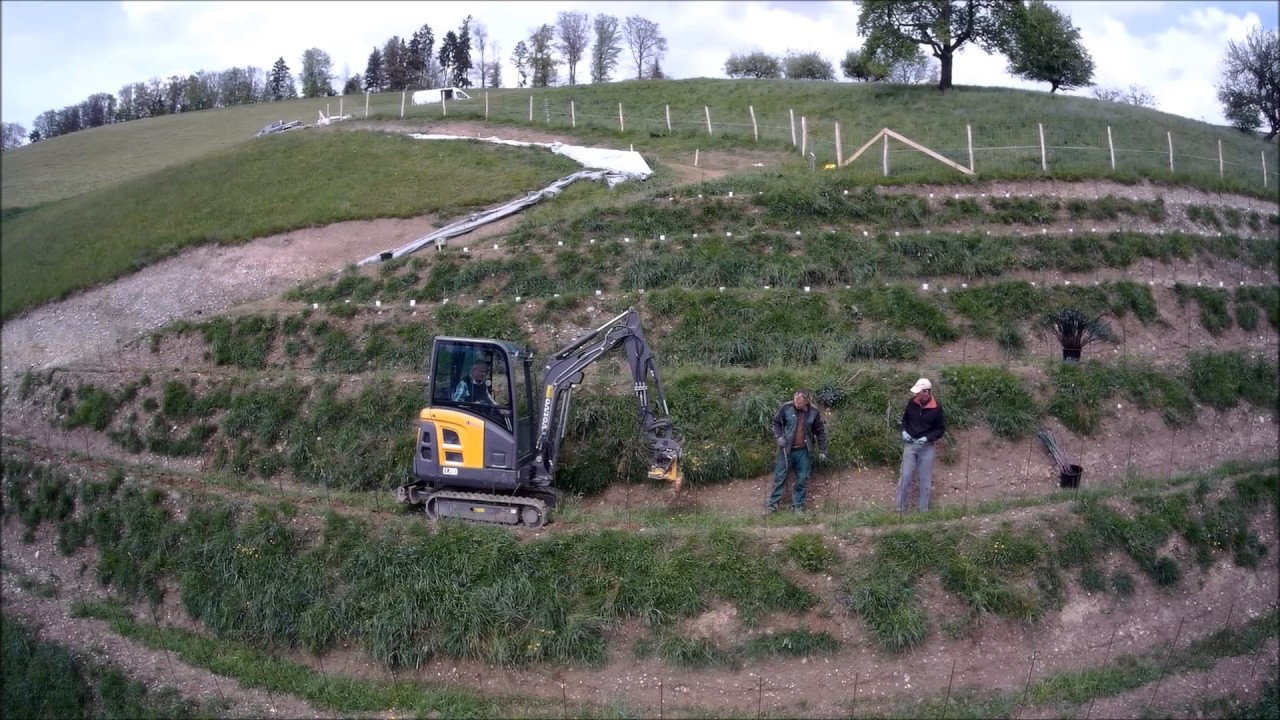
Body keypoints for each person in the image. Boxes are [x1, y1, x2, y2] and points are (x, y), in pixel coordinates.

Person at [763, 390, 828, 515]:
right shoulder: (786, 407)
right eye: (795, 401)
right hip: (786, 450)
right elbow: (776, 422)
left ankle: (798, 506)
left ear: (807, 402)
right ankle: (772, 506)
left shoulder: (813, 412)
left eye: (800, 403)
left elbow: (820, 432)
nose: (797, 405)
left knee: (802, 479)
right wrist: (779, 437)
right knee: (780, 477)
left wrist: (823, 450)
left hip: (804, 450)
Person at [898, 377, 946, 513]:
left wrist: (927, 438)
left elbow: (940, 429)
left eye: (919, 392)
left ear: (927, 392)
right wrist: (904, 432)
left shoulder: (937, 407)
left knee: (925, 480)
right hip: (910, 444)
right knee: (905, 476)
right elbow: (905, 421)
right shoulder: (912, 403)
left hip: (927, 447)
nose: (917, 395)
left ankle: (923, 510)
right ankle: (899, 509)